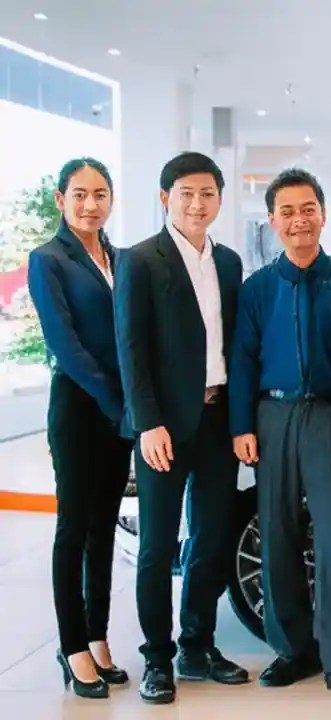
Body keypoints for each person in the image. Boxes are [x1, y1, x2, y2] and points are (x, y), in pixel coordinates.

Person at [227, 168, 331, 701]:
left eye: (308, 208)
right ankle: (291, 649)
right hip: (271, 419)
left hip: (330, 418)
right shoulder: (257, 289)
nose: (299, 220)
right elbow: (242, 361)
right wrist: (241, 426)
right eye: (287, 211)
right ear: (272, 220)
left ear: (323, 213)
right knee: (277, 533)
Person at [115, 151, 248, 704]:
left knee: (212, 536)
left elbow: (236, 346)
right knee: (158, 546)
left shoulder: (229, 262)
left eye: (208, 194)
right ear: (166, 196)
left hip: (217, 418)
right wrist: (148, 423)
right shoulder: (141, 260)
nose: (198, 204)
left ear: (220, 198)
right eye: (186, 193)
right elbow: (131, 348)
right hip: (164, 426)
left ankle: (198, 644)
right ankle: (157, 658)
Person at [28, 158, 134, 699]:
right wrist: (115, 401)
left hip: (118, 411)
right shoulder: (48, 259)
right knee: (73, 526)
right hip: (77, 405)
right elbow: (65, 344)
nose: (91, 204)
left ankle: (97, 637)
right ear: (61, 200)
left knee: (103, 527)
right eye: (80, 194)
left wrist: (129, 405)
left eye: (100, 194)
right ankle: (72, 647)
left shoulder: (119, 258)